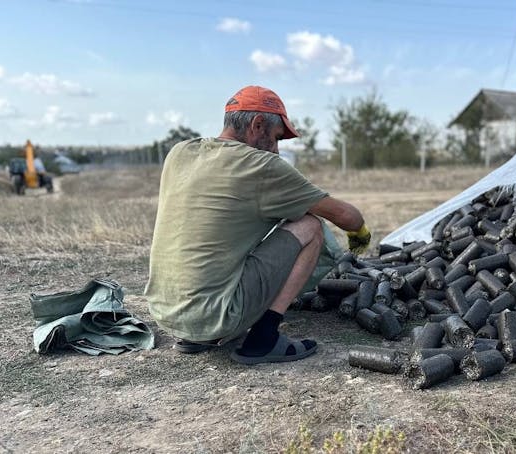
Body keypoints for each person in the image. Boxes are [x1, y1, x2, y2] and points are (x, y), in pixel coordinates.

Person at [144, 85, 371, 364]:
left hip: (165, 312)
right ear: (257, 124)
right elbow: (348, 217)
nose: (276, 150)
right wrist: (361, 234)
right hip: (218, 316)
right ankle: (263, 339)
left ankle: (193, 335)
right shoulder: (262, 166)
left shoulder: (181, 152)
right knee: (310, 225)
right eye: (276, 139)